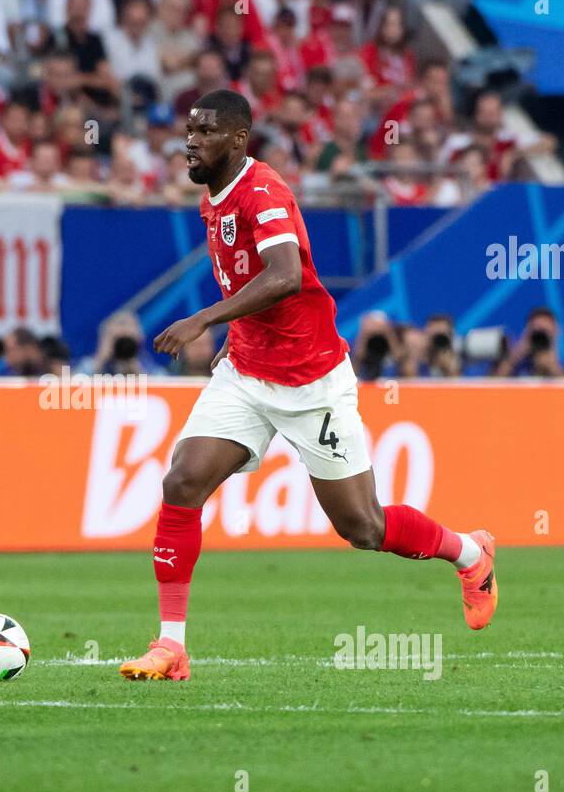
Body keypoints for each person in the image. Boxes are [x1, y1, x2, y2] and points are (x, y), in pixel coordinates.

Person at [120, 90, 498, 682]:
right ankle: (171, 646)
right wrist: (236, 330)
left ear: (238, 140)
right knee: (183, 479)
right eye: (188, 129)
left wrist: (204, 319)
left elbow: (286, 276)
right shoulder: (213, 195)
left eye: (206, 131)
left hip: (312, 381)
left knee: (363, 527)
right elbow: (249, 278)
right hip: (246, 372)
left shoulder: (263, 193)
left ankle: (471, 554)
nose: (190, 140)